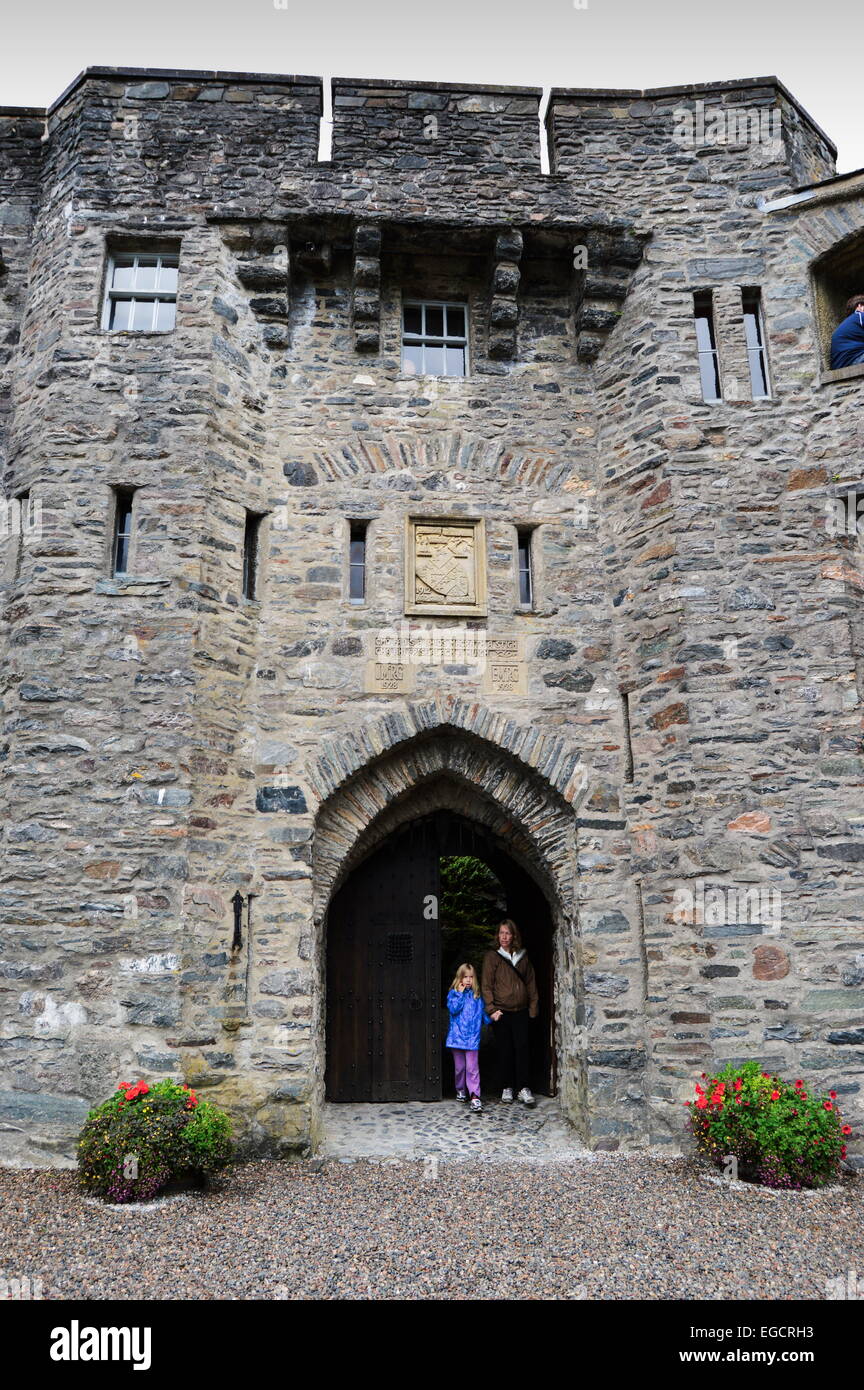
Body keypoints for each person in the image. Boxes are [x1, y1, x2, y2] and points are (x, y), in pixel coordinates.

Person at [481, 919, 539, 1107]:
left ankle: (523, 1087)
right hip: (502, 1012)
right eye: (501, 933)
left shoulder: (523, 956)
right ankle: (507, 1086)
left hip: (520, 1010)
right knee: (505, 1050)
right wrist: (491, 1009)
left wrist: (533, 1007)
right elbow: (487, 985)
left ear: (513, 935)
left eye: (507, 933)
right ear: (497, 936)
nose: (504, 937)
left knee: (522, 1048)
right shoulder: (492, 957)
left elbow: (530, 983)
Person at [445, 963, 490, 1114]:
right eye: (465, 977)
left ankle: (475, 1096)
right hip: (457, 1038)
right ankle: (460, 1089)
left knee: (472, 1068)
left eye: (471, 977)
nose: (469, 980)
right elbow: (453, 1009)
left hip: (472, 1039)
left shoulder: (476, 996)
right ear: (460, 978)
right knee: (460, 1068)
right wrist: (459, 993)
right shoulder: (453, 994)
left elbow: (483, 1015)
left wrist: (492, 1016)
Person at [830, 295, 864, 369]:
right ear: (860, 306)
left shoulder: (849, 322)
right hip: (855, 360)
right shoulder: (860, 315)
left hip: (841, 365)